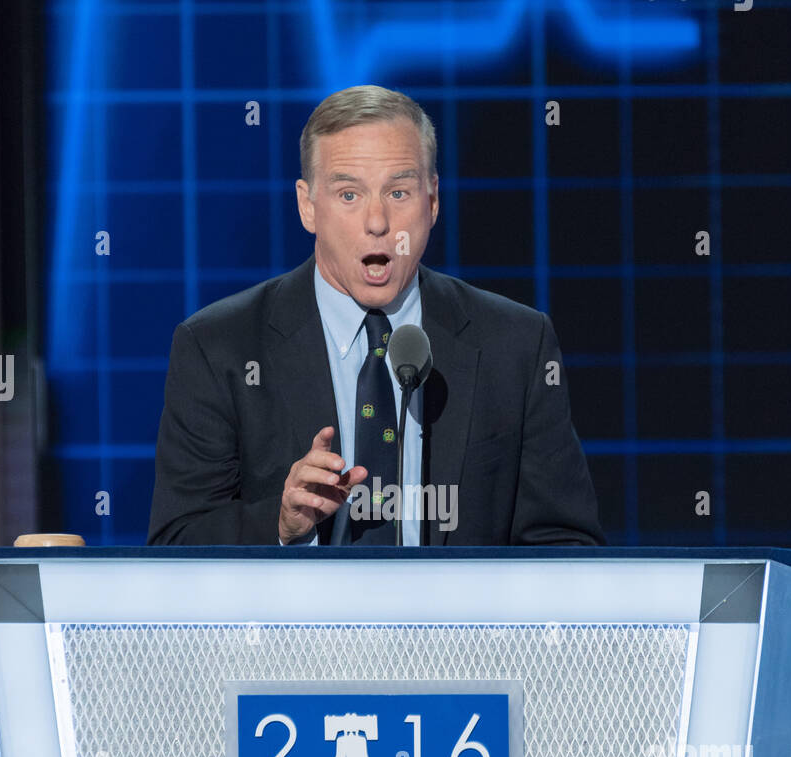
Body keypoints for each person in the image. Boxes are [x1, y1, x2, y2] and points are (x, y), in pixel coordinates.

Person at [147, 85, 603, 547]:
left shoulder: (517, 345)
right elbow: (176, 544)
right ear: (308, 206)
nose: (378, 222)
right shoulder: (221, 347)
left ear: (433, 201)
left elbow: (565, 545)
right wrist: (282, 525)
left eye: (399, 191)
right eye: (349, 195)